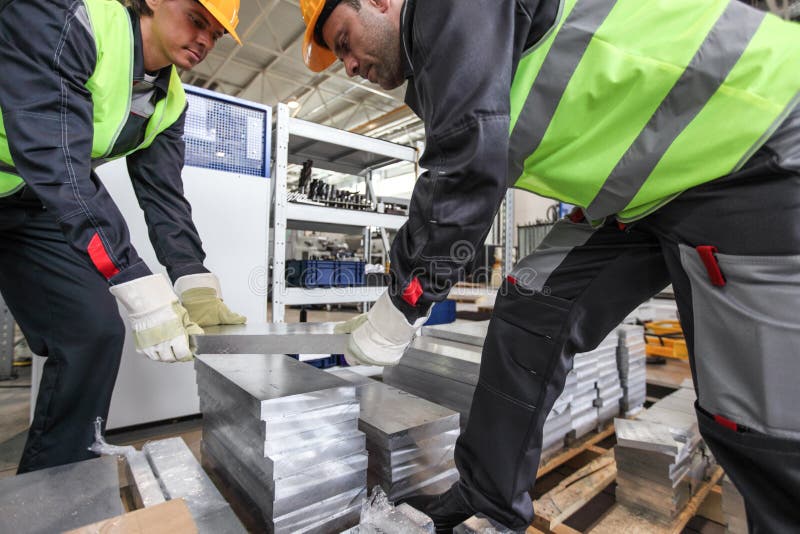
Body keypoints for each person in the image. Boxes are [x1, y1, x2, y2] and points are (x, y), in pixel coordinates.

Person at [302, 0, 800, 532]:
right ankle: (489, 497)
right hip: (645, 190)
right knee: (531, 304)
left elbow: (467, 166)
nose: (348, 65)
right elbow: (466, 157)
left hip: (748, 143)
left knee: (753, 423)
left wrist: (405, 299)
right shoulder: (450, 60)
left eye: (345, 41)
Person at [0, 0, 246, 474]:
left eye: (216, 34)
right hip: (44, 180)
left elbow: (165, 199)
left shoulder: (169, 100)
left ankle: (57, 487)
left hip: (34, 203)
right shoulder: (68, 19)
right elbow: (56, 159)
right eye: (197, 19)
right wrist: (137, 283)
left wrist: (193, 281)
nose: (204, 40)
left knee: (92, 333)